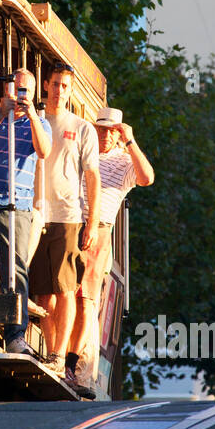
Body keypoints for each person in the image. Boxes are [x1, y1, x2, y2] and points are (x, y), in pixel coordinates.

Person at [70, 107, 155, 398]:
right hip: (71, 225)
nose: (105, 135)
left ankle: (83, 374)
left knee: (87, 301)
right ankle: (66, 364)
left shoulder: (123, 160)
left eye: (111, 130)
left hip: (100, 230)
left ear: (119, 132)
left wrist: (130, 141)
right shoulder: (85, 152)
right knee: (65, 294)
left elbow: (147, 178)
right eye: (101, 129)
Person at [28, 61, 99, 379]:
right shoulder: (34, 119)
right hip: (36, 213)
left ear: (71, 90)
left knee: (66, 288)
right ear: (45, 85)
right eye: (55, 84)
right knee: (43, 294)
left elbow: (92, 175)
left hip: (69, 216)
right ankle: (52, 353)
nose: (59, 90)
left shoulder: (82, 128)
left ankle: (58, 355)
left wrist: (92, 220)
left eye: (65, 86)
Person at [0, 68, 51, 355]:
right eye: (14, 89)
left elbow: (44, 151)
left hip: (17, 204)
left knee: (15, 270)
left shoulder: (38, 123)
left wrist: (30, 116)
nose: (18, 96)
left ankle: (15, 334)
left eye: (24, 91)